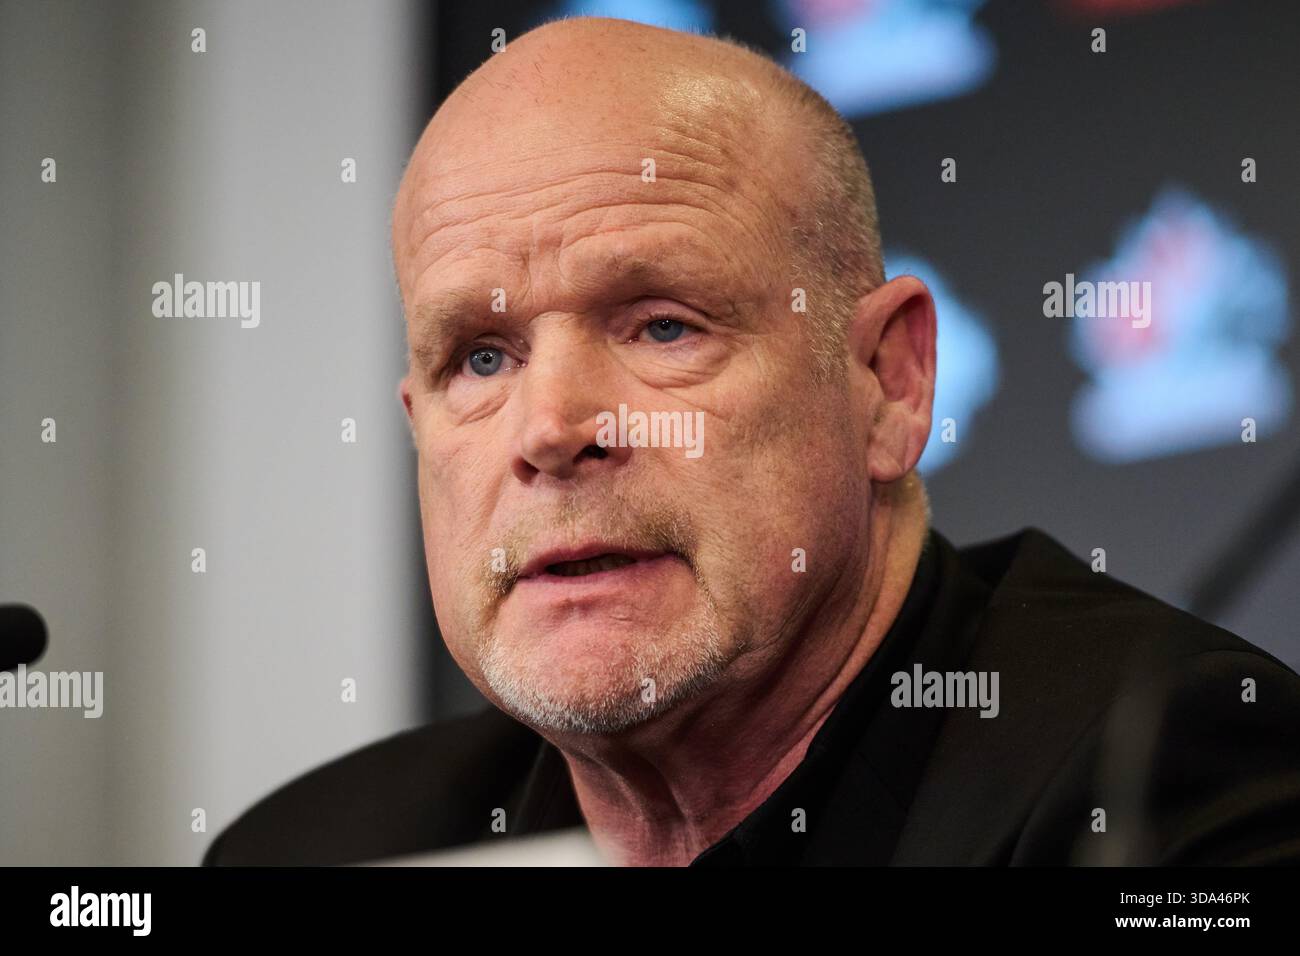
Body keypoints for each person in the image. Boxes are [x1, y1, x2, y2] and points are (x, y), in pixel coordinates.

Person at [203, 15, 1300, 866]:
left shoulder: (1164, 775)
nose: (549, 430)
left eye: (663, 325)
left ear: (888, 382)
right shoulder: (321, 849)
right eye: (480, 358)